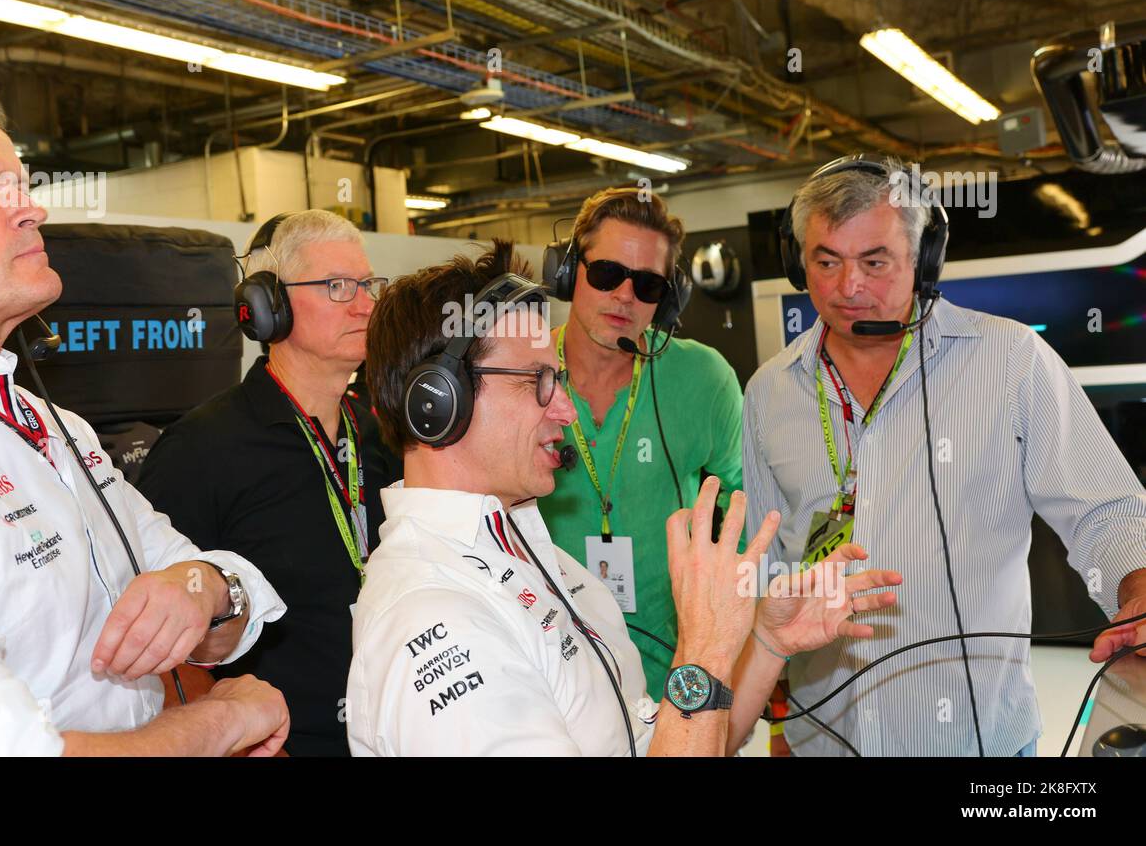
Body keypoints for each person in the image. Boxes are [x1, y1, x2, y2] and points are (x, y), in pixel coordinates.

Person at [0, 65, 289, 756]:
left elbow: (230, 590)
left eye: (21, 185)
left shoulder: (49, 421)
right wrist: (225, 719)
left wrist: (203, 590)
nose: (32, 209)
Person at [347, 241, 900, 756]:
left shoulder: (544, 562)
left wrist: (768, 641)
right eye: (537, 380)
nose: (564, 409)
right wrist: (703, 650)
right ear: (440, 401)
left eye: (558, 379)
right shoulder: (432, 618)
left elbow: (680, 738)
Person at [742, 154, 1146, 756]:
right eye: (826, 261)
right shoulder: (770, 390)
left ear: (924, 260)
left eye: (874, 261)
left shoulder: (1011, 363)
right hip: (821, 738)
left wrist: (1136, 589)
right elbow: (770, 569)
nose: (848, 287)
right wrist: (778, 720)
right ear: (798, 264)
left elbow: (1104, 511)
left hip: (975, 742)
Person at [139, 209, 400, 756]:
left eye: (368, 285)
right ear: (268, 306)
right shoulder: (201, 450)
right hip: (281, 744)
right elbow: (158, 642)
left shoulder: (381, 435)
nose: (365, 304)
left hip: (395, 731)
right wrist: (239, 740)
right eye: (337, 286)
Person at [540, 186, 744, 697]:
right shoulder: (518, 370)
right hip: (552, 684)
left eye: (649, 285)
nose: (626, 296)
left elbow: (741, 524)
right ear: (567, 272)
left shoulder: (705, 378)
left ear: (669, 299)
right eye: (607, 274)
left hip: (677, 684)